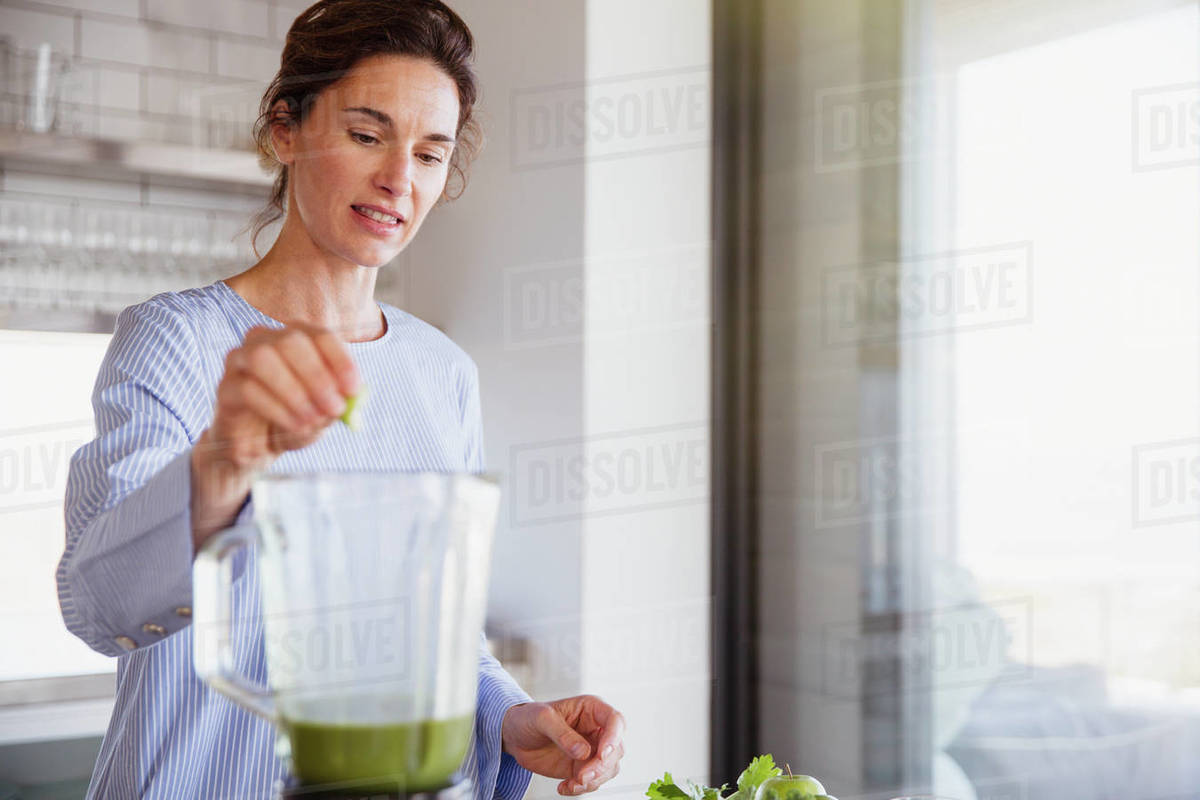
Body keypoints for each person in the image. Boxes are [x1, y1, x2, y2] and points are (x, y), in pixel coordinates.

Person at [56, 1, 625, 797]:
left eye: (432, 155)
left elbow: (440, 638)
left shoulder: (442, 372)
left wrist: (508, 716)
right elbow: (98, 603)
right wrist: (225, 458)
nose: (399, 179)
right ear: (284, 129)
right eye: (367, 135)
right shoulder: (176, 341)